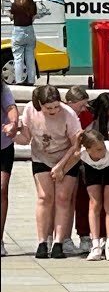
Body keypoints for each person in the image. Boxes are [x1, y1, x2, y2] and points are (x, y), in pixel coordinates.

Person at [17, 86, 80, 259]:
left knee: (62, 198)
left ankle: (59, 242)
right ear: (39, 105)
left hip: (67, 158)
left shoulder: (68, 115)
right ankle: (42, 242)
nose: (53, 111)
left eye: (56, 106)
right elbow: (25, 139)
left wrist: (61, 166)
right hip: (41, 157)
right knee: (45, 197)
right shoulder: (30, 110)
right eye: (48, 108)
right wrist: (12, 133)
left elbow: (77, 145)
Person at [76, 129, 109, 261]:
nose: (103, 151)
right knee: (94, 203)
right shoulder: (82, 153)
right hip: (91, 169)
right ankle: (95, 245)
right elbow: (69, 158)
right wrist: (59, 169)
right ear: (87, 149)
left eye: (103, 147)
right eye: (98, 149)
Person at [8, 0, 38, 85]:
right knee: (30, 57)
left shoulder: (16, 4)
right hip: (29, 30)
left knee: (18, 58)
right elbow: (33, 18)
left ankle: (19, 80)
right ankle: (31, 81)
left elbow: (11, 17)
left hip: (18, 31)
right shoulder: (32, 4)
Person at [1, 81, 18, 257]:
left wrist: (13, 123)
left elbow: (11, 108)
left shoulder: (3, 89)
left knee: (2, 188)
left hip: (3, 145)